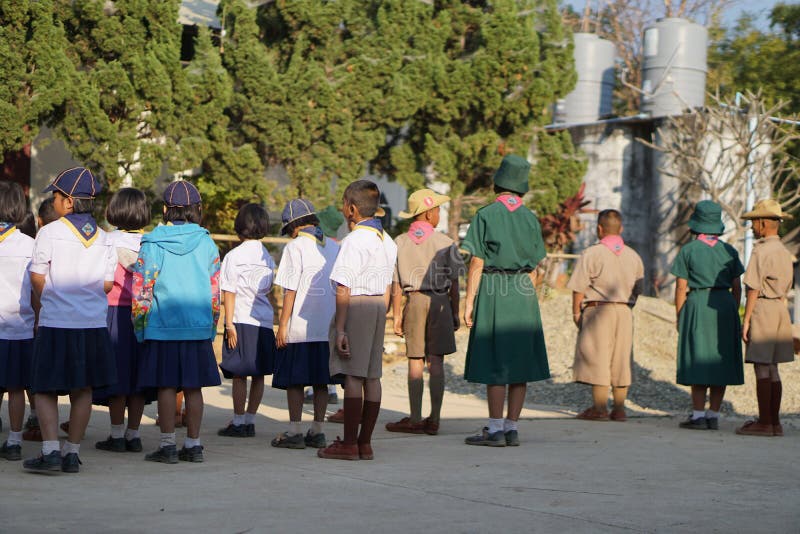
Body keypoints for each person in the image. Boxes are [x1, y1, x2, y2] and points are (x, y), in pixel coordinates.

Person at [22, 167, 117, 473]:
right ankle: (72, 453)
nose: (54, 200)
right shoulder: (105, 239)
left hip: (56, 322)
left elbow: (37, 276)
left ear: (69, 201)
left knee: (44, 388)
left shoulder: (49, 232)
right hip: (92, 324)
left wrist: (53, 296)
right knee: (83, 389)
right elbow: (107, 285)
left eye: (56, 195)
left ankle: (50, 450)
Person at [462, 155, 550, 447]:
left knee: (496, 362)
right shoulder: (530, 218)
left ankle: (495, 428)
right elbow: (536, 267)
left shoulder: (486, 214)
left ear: (497, 182)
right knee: (519, 364)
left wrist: (469, 301)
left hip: (493, 288)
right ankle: (512, 429)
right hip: (524, 291)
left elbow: (477, 261)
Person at [132, 180, 222, 463]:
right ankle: (194, 445)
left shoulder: (152, 242)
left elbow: (142, 288)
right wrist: (212, 325)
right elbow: (215, 290)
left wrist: (140, 326)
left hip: (163, 325)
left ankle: (168, 445)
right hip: (197, 325)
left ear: (165, 209)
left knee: (166, 386)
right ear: (197, 209)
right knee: (194, 388)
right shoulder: (207, 243)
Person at [317, 180, 397, 461]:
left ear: (351, 209)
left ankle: (349, 443)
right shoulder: (387, 241)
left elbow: (344, 286)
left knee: (353, 375)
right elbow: (388, 285)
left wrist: (340, 329)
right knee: (372, 376)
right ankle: (365, 443)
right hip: (378, 307)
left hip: (358, 306)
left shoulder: (354, 240)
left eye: (343, 203)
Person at [386, 189, 463, 436]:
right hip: (440, 301)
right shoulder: (445, 242)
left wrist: (397, 315)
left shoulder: (399, 242)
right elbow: (454, 283)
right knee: (436, 360)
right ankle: (435, 419)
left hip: (414, 301)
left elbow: (396, 284)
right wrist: (455, 312)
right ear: (429, 213)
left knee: (415, 360)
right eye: (438, 210)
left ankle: (415, 418)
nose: (439, 214)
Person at [272, 199, 340, 450]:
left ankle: (294, 431)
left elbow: (289, 290)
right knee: (322, 381)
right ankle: (318, 431)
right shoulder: (333, 246)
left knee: (295, 381)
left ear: (294, 226)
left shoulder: (295, 247)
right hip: (328, 325)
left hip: (300, 327)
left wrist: (282, 324)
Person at [671, 200, 744, 431]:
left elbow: (680, 287)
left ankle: (698, 415)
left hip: (698, 303)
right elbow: (738, 287)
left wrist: (680, 315)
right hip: (725, 305)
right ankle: (713, 415)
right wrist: (732, 311)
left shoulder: (688, 250)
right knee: (720, 360)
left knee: (698, 357)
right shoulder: (729, 251)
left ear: (696, 222)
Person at [567, 209, 644, 421]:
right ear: (621, 229)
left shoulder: (592, 253)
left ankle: (599, 408)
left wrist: (576, 312)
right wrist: (626, 306)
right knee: (621, 359)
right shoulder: (633, 256)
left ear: (599, 229)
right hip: (624, 311)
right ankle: (619, 410)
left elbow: (578, 287)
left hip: (598, 310)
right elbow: (638, 289)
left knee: (597, 357)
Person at [92, 188, 151, 453]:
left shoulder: (107, 240)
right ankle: (133, 435)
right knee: (138, 377)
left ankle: (116, 435)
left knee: (117, 375)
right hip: (143, 315)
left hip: (113, 312)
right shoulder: (149, 243)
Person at [217, 203, 276, 438]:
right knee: (259, 373)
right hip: (263, 321)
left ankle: (239, 420)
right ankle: (250, 420)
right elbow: (268, 290)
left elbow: (229, 292)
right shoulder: (267, 257)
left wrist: (228, 324)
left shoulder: (234, 256)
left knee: (239, 374)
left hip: (240, 318)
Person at [736, 199, 794, 437]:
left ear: (762, 223)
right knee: (773, 367)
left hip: (764, 307)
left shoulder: (761, 250)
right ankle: (775, 423)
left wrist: (747, 319)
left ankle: (764, 422)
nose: (752, 227)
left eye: (753, 222)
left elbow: (753, 288)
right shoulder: (784, 251)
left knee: (761, 366)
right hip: (780, 308)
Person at [0, 182, 36, 461]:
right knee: (16, 388)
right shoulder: (29, 244)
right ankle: (14, 441)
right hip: (20, 327)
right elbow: (37, 289)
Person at [22, 196, 59, 442]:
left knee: (31, 375)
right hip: (59, 318)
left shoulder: (37, 245)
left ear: (39, 221)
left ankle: (37, 417)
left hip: (36, 319)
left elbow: (36, 286)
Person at [306, 205, 344, 409]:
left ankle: (314, 389)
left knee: (317, 347)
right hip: (335, 304)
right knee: (330, 347)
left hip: (317, 304)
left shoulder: (318, 246)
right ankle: (332, 389)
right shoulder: (339, 248)